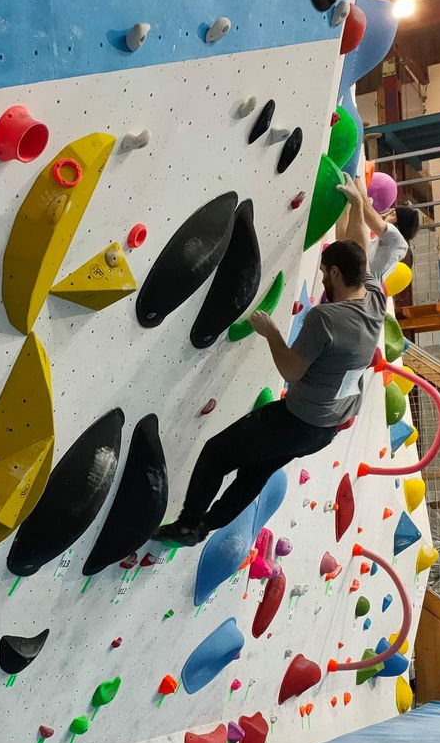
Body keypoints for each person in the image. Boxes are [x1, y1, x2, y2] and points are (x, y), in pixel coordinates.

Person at [154, 176, 388, 547]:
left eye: (327, 272)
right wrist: (357, 205)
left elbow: (292, 370)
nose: (324, 278)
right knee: (254, 472)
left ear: (336, 274)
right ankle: (203, 527)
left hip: (299, 419)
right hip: (325, 429)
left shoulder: (326, 319)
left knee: (217, 453)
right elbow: (360, 243)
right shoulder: (374, 299)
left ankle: (188, 523)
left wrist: (270, 332)